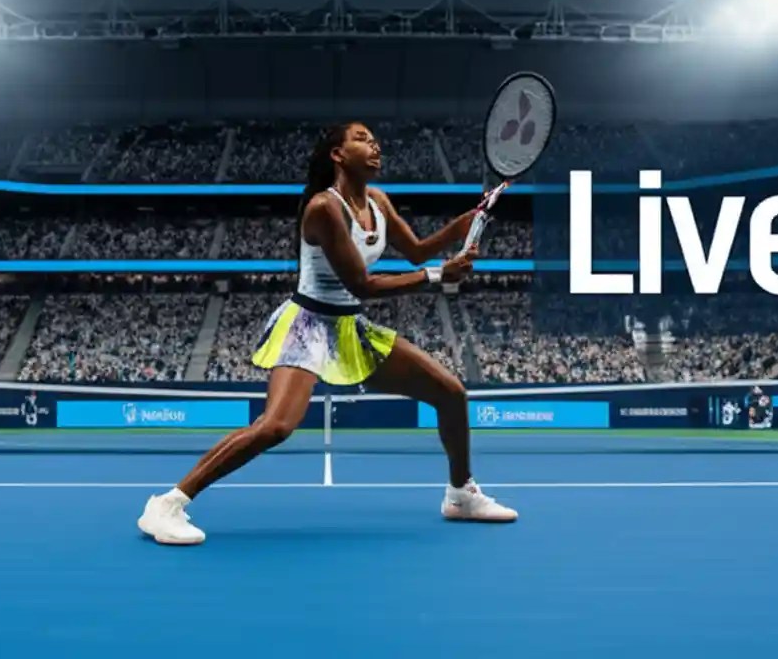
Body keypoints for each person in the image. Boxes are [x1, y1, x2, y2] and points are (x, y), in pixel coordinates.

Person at [138, 122, 518, 545]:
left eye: (375, 141)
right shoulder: (324, 208)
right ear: (338, 154)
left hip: (349, 326)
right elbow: (363, 285)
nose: (374, 146)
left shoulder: (378, 201)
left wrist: (464, 225)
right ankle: (167, 504)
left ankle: (461, 494)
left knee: (451, 393)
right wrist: (438, 275)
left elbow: (416, 251)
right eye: (362, 139)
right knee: (275, 426)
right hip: (308, 325)